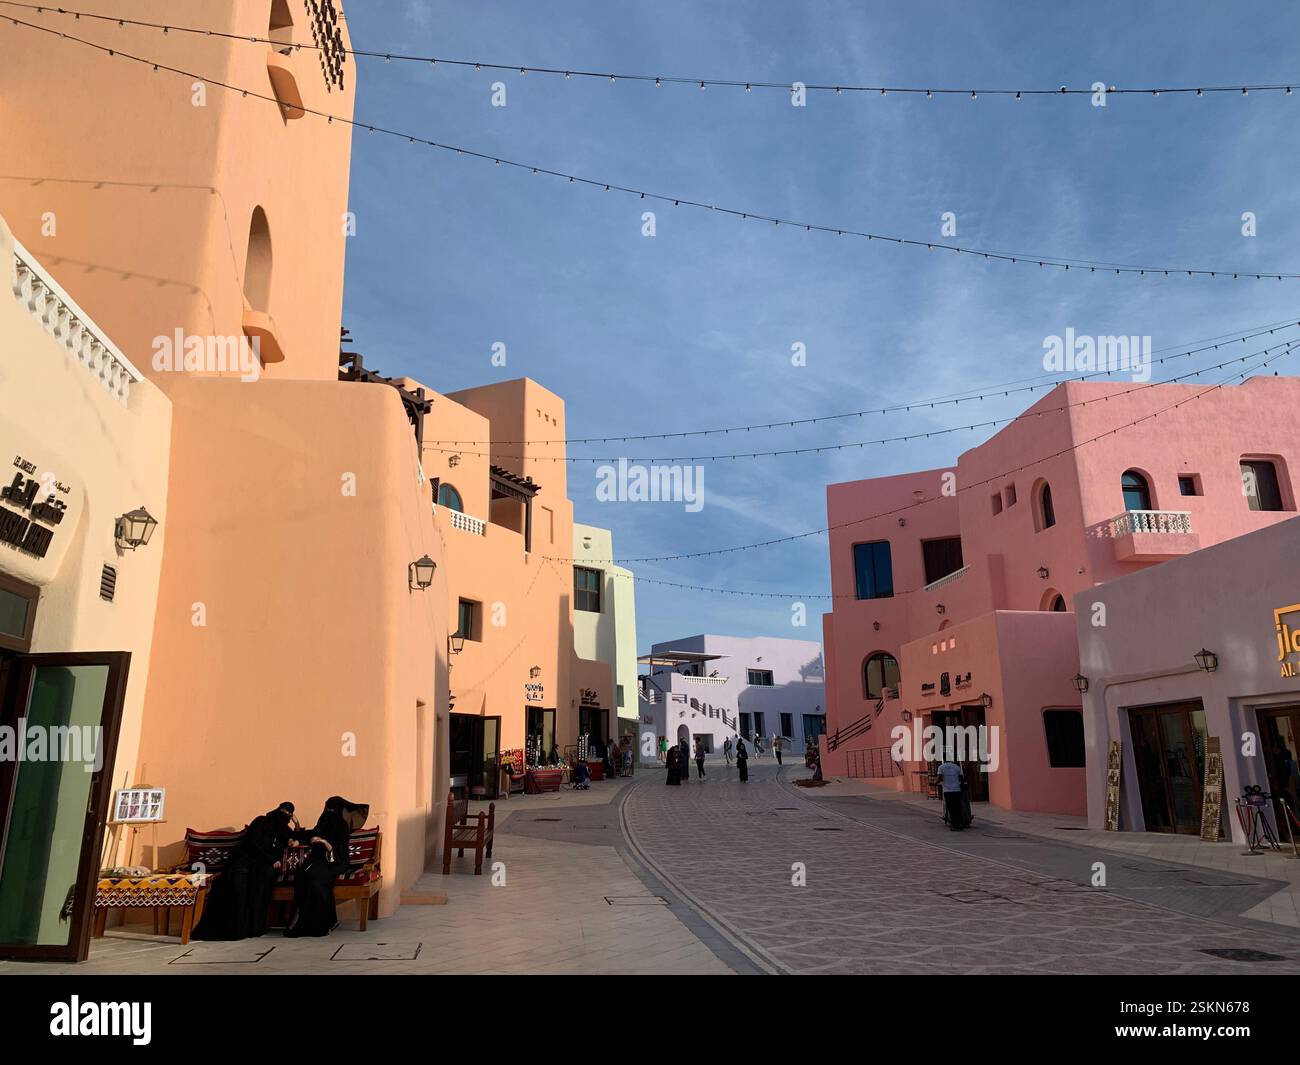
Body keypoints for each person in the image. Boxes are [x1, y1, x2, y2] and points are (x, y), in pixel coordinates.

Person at [192, 801, 296, 941]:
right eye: (282, 812)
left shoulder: (284, 830)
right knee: (236, 887)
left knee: (260, 886)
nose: (283, 817)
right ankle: (238, 928)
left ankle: (254, 927)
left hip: (261, 867)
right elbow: (252, 843)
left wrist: (296, 834)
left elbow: (299, 837)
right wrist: (270, 859)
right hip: (244, 861)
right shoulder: (261, 821)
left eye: (287, 815)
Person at [284, 796, 369, 937]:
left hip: (337, 862)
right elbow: (312, 834)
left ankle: (322, 924)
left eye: (331, 809)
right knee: (302, 876)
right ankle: (301, 923)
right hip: (319, 861)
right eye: (327, 808)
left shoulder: (342, 826)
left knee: (316, 882)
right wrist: (297, 840)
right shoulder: (323, 821)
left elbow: (337, 851)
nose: (328, 811)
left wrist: (324, 843)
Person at [937, 756, 968, 831]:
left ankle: (954, 825)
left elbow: (940, 778)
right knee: (957, 807)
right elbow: (961, 778)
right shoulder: (956, 767)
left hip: (948, 791)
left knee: (951, 808)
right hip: (957, 790)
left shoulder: (941, 767)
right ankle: (960, 823)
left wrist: (935, 783)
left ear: (944, 760)